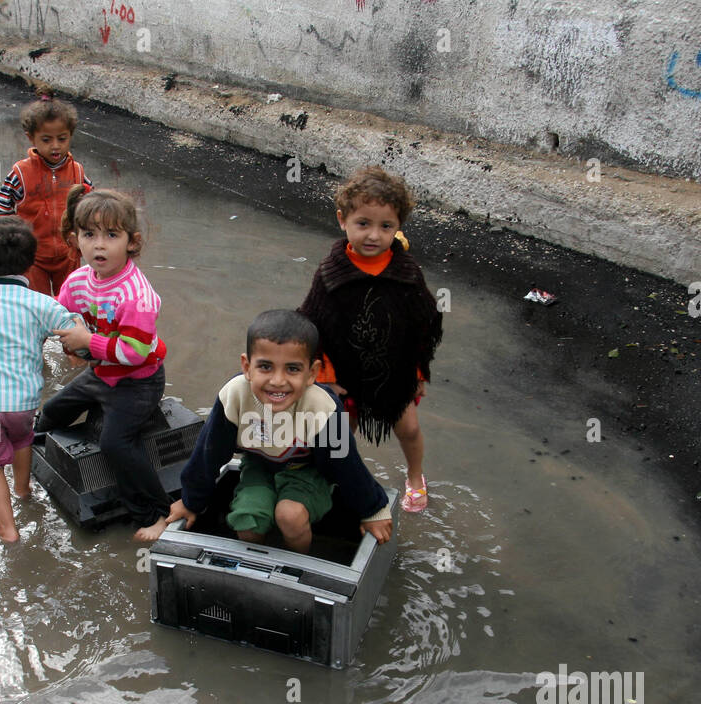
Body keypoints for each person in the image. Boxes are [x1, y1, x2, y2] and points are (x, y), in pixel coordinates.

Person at [158, 310, 393, 552]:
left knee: (289, 515)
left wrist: (372, 510)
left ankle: (298, 562)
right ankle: (255, 566)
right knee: (247, 520)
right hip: (259, 466)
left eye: (292, 369)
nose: (278, 380)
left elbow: (345, 462)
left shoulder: (322, 407)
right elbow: (209, 451)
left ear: (312, 373)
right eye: (266, 367)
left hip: (307, 472)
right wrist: (191, 501)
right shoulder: (235, 394)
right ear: (247, 367)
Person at [298, 166, 443, 513]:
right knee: (340, 436)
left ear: (398, 228)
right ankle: (345, 481)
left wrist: (420, 373)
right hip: (345, 373)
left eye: (386, 226)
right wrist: (327, 377)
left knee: (407, 427)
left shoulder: (405, 272)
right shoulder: (331, 273)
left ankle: (415, 477)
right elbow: (312, 325)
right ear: (342, 220)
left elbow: (423, 324)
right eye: (363, 223)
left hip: (395, 371)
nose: (374, 235)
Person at [37, 189, 170, 541]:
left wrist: (86, 342)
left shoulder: (136, 294)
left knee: (115, 443)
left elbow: (135, 353)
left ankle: (157, 512)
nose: (100, 245)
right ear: (75, 239)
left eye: (111, 235)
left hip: (138, 381)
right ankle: (30, 455)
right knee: (50, 413)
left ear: (132, 242)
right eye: (89, 234)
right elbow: (59, 314)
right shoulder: (79, 280)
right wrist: (44, 338)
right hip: (100, 374)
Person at [0, 217, 79, 542]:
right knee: (22, 439)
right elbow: (72, 328)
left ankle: (7, 528)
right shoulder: (40, 304)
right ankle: (23, 490)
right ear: (30, 264)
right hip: (22, 402)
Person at [0, 95, 93, 295]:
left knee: (71, 304)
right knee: (37, 304)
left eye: (62, 139)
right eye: (46, 139)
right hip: (32, 257)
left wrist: (85, 240)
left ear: (70, 136)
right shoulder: (20, 173)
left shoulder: (78, 173)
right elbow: (1, 212)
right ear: (31, 137)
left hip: (69, 254)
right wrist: (10, 247)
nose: (55, 145)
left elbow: (92, 208)